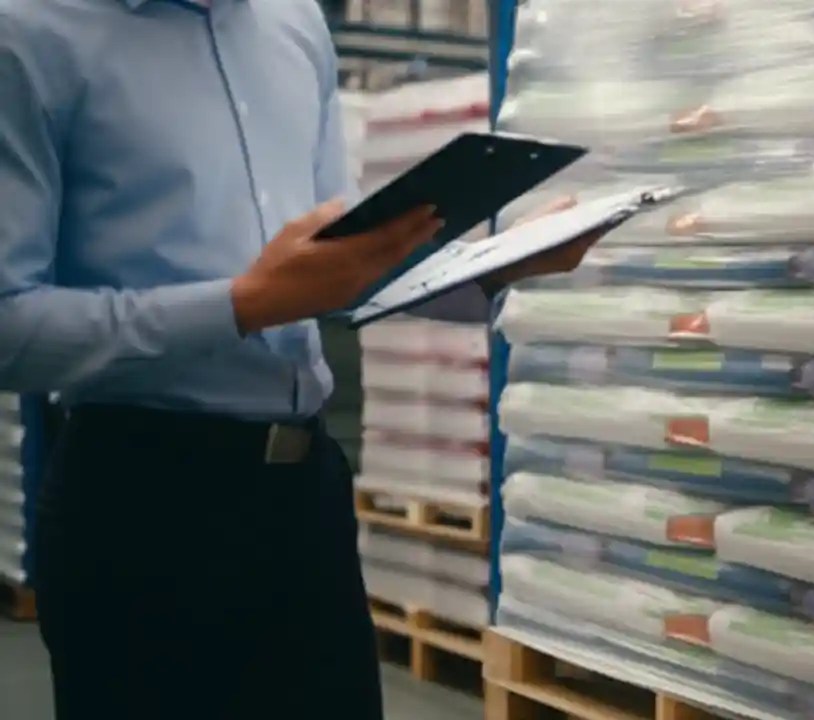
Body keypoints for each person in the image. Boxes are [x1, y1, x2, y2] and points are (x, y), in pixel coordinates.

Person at [0, 1, 606, 718]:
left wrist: (492, 266)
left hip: (302, 497)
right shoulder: (30, 35)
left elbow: (344, 266)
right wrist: (244, 302)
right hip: (141, 503)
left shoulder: (292, 24)